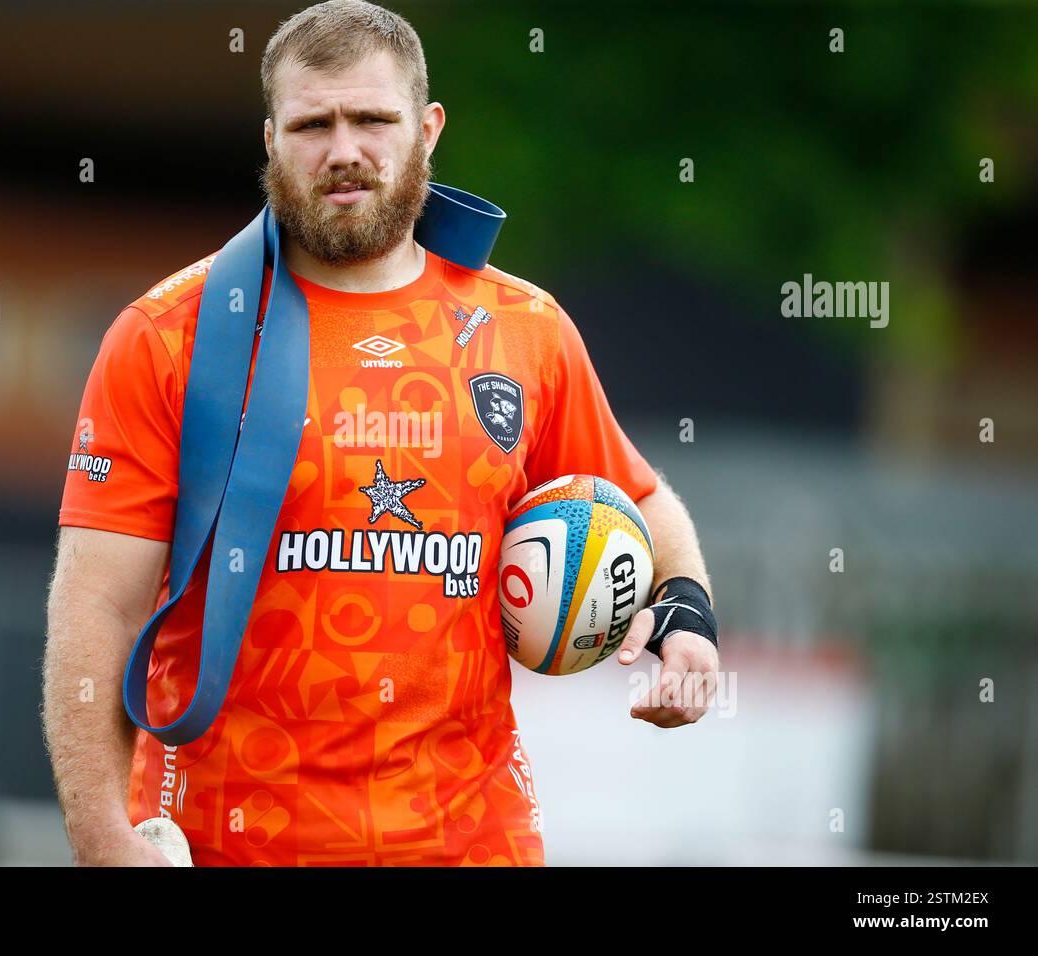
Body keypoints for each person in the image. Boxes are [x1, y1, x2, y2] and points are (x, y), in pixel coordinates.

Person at [43, 0, 717, 867]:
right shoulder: (172, 335)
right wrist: (102, 842)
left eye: (372, 119)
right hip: (226, 844)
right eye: (312, 124)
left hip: (471, 843)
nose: (344, 150)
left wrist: (688, 617)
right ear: (271, 139)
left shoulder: (525, 331)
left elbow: (645, 502)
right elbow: (96, 607)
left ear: (428, 130)